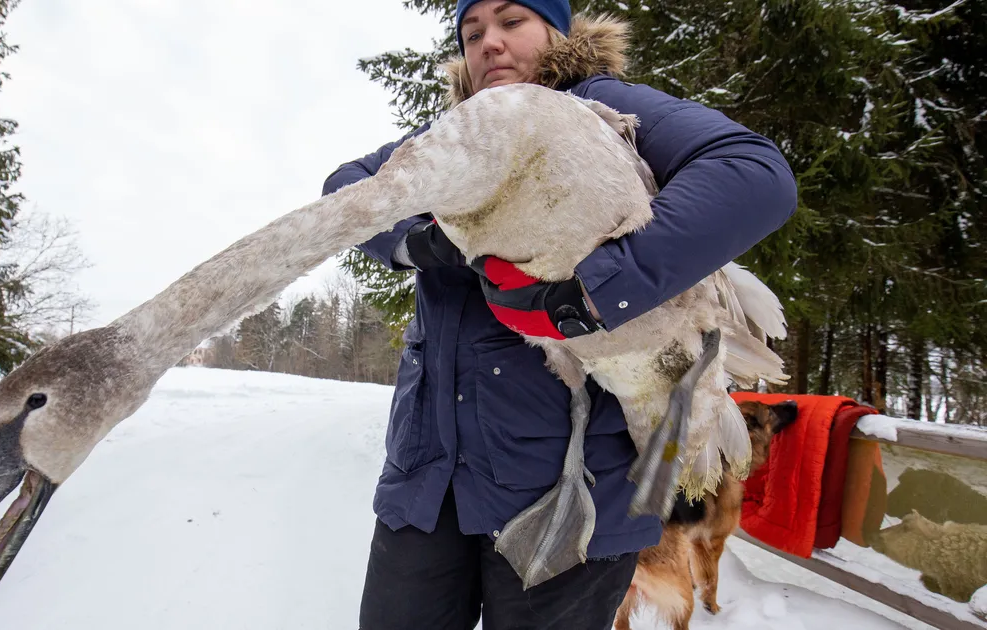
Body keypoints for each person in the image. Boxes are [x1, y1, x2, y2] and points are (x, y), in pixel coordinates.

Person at [321, 1, 798, 628]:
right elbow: (346, 185)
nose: (489, 43)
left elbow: (753, 174)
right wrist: (418, 240)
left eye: (511, 21)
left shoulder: (601, 108)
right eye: (471, 32)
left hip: (576, 502)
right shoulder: (460, 133)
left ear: (558, 32)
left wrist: (591, 294)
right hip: (427, 482)